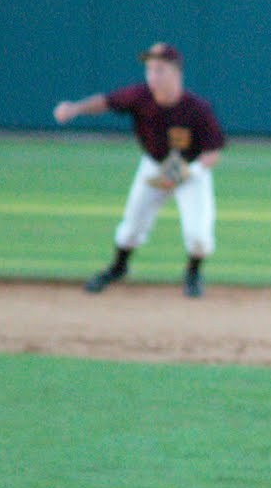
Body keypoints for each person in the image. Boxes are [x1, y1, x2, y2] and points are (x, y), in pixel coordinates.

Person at [53, 42, 225, 298]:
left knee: (199, 235)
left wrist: (183, 174)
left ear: (176, 72)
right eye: (149, 69)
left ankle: (192, 274)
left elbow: (213, 153)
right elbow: (106, 101)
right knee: (131, 227)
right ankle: (118, 267)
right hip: (154, 166)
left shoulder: (196, 108)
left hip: (191, 171)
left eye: (159, 69)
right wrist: (76, 108)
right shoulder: (140, 95)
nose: (152, 75)